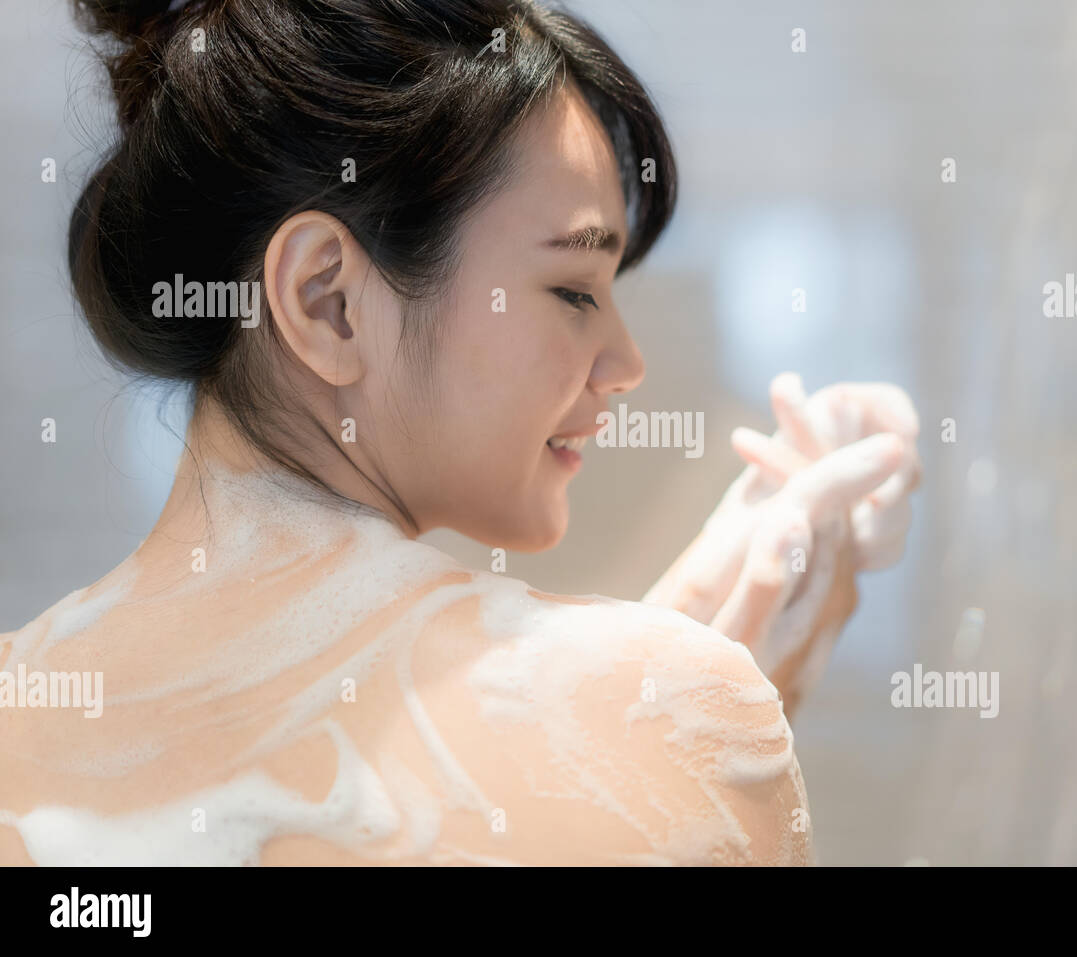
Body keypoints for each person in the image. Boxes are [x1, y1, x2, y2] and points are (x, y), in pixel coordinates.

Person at [0, 0, 920, 865]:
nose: (626, 360)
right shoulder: (660, 725)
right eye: (573, 290)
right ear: (328, 300)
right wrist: (705, 720)